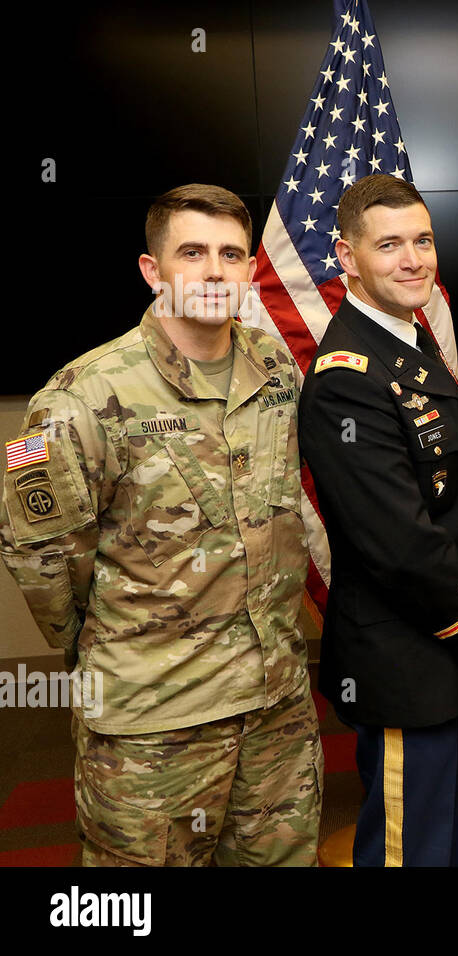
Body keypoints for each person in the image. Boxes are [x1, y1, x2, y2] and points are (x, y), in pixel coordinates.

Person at [0, 184, 320, 866]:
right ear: (153, 271)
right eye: (192, 252)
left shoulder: (275, 369)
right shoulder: (83, 394)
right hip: (154, 724)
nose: (213, 271)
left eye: (231, 254)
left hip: (275, 708)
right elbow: (46, 565)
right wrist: (118, 648)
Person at [297, 174, 458, 867]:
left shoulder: (407, 340)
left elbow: (434, 462)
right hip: (407, 656)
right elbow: (400, 542)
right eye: (390, 245)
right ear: (347, 257)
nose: (413, 260)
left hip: (446, 651)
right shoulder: (348, 373)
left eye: (424, 240)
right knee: (411, 851)